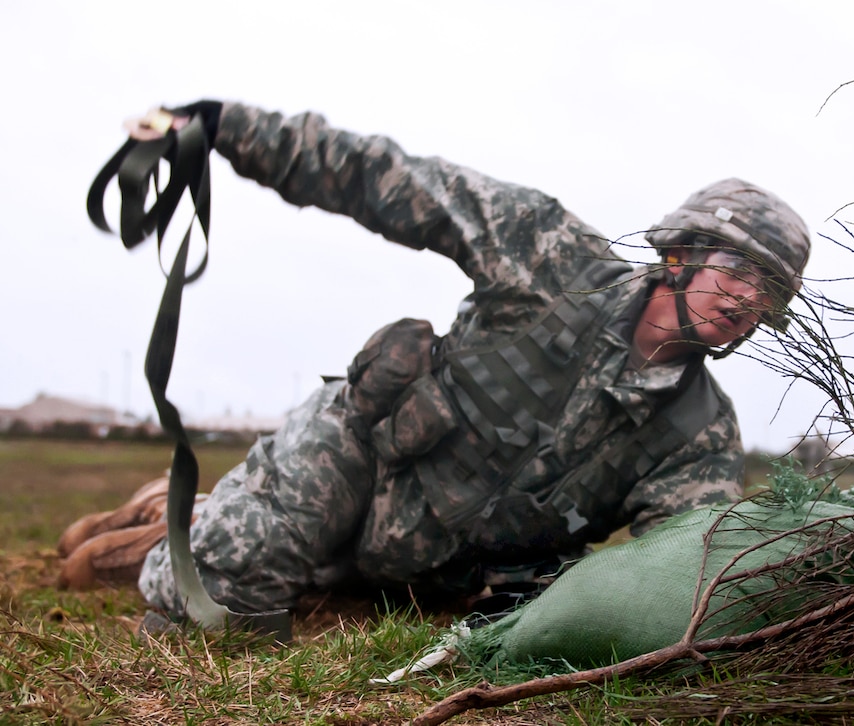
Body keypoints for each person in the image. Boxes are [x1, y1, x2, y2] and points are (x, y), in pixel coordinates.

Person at [59, 101, 811, 621]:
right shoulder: (549, 256)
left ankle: (183, 508)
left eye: (769, 292)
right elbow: (388, 177)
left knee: (318, 587)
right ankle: (171, 521)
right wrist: (225, 127)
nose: (748, 300)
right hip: (356, 470)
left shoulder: (699, 435)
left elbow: (684, 569)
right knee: (219, 603)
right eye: (737, 270)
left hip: (431, 580)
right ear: (678, 255)